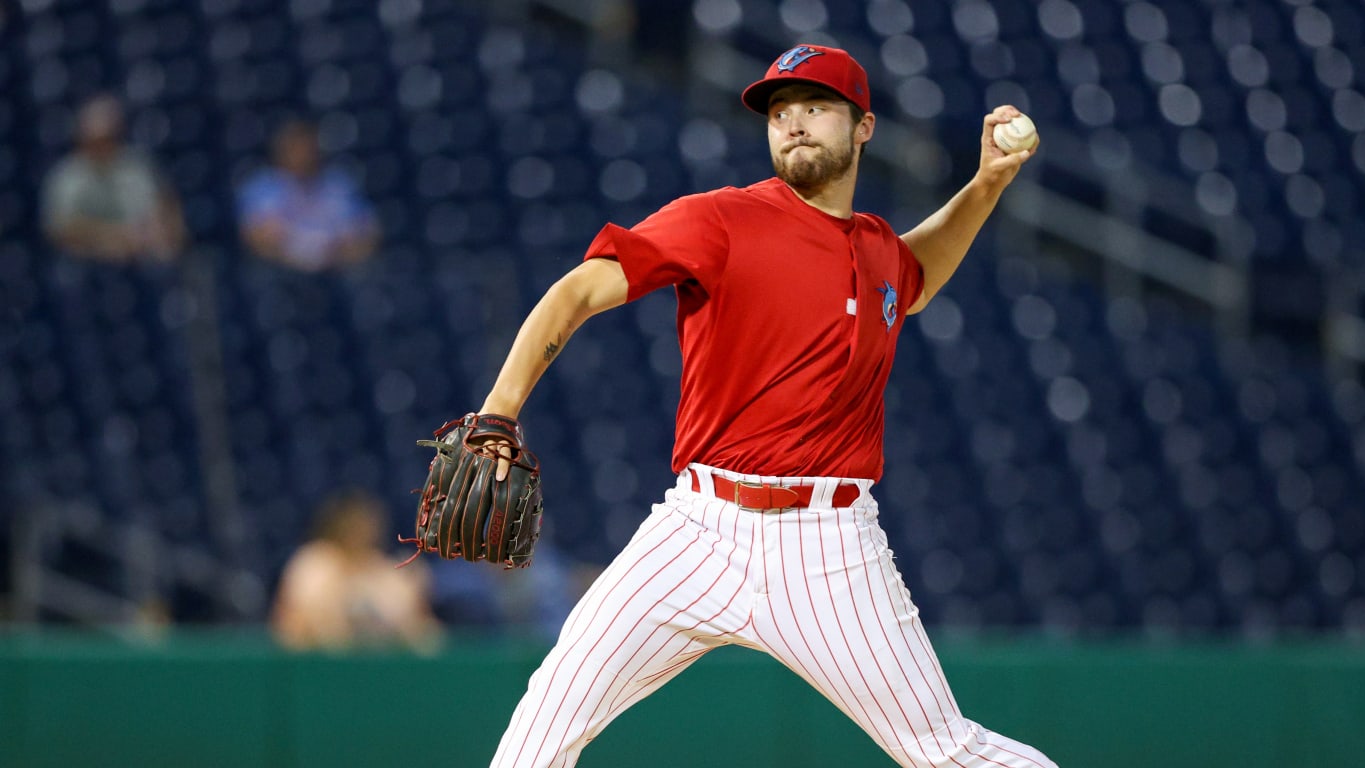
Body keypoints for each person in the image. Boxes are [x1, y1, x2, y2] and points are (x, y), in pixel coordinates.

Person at [473, 45, 1053, 767]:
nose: (795, 123)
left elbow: (914, 277)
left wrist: (987, 185)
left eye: (816, 107)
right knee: (540, 729)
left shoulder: (875, 250)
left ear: (864, 126)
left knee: (945, 750)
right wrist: (501, 407)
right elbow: (579, 290)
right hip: (696, 530)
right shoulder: (719, 220)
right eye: (780, 112)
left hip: (830, 545)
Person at [270, 489, 440, 651]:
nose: (359, 530)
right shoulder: (313, 564)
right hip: (320, 668)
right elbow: (288, 627)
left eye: (364, 523)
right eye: (351, 523)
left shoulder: (389, 572)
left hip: (379, 671)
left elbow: (425, 635)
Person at [41, 93, 185, 263]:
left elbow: (157, 213)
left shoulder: (135, 167)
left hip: (136, 257)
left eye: (107, 138)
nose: (101, 146)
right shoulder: (67, 175)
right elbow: (59, 226)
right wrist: (109, 235)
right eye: (95, 140)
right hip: (86, 262)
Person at [237, 118, 378, 271]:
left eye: (308, 147)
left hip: (337, 270)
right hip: (282, 273)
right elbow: (255, 239)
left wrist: (333, 255)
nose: (303, 154)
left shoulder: (338, 184)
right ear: (282, 150)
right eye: (295, 148)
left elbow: (369, 235)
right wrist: (303, 256)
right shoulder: (263, 187)